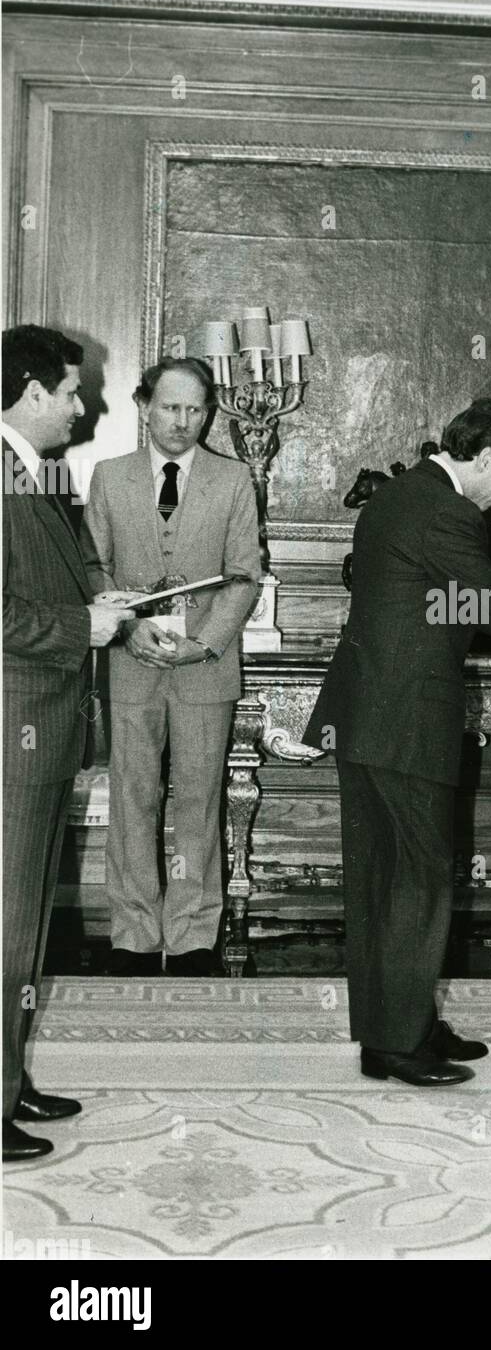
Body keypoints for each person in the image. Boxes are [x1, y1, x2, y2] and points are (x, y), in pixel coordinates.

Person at [303, 399, 491, 1087]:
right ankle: (398, 1044)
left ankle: (399, 1026)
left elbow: (450, 602)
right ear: (483, 457)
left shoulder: (401, 496)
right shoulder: (446, 512)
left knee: (381, 877)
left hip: (367, 712)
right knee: (418, 879)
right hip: (404, 719)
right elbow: (490, 604)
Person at [80, 357, 261, 978]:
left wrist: (204, 643)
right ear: (144, 406)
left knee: (200, 800)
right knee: (132, 796)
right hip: (130, 665)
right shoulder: (110, 477)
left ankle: (191, 936)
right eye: (170, 407)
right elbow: (93, 566)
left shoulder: (234, 479)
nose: (183, 421)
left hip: (205, 669)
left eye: (195, 410)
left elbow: (244, 575)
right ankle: (133, 934)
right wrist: (127, 627)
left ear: (207, 413)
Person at [2, 324, 135, 1162]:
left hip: (42, 731)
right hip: (11, 735)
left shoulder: (30, 471)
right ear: (31, 392)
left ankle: (8, 1080)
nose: (82, 408)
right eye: (71, 392)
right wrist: (79, 626)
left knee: (24, 927)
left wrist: (98, 604)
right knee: (4, 925)